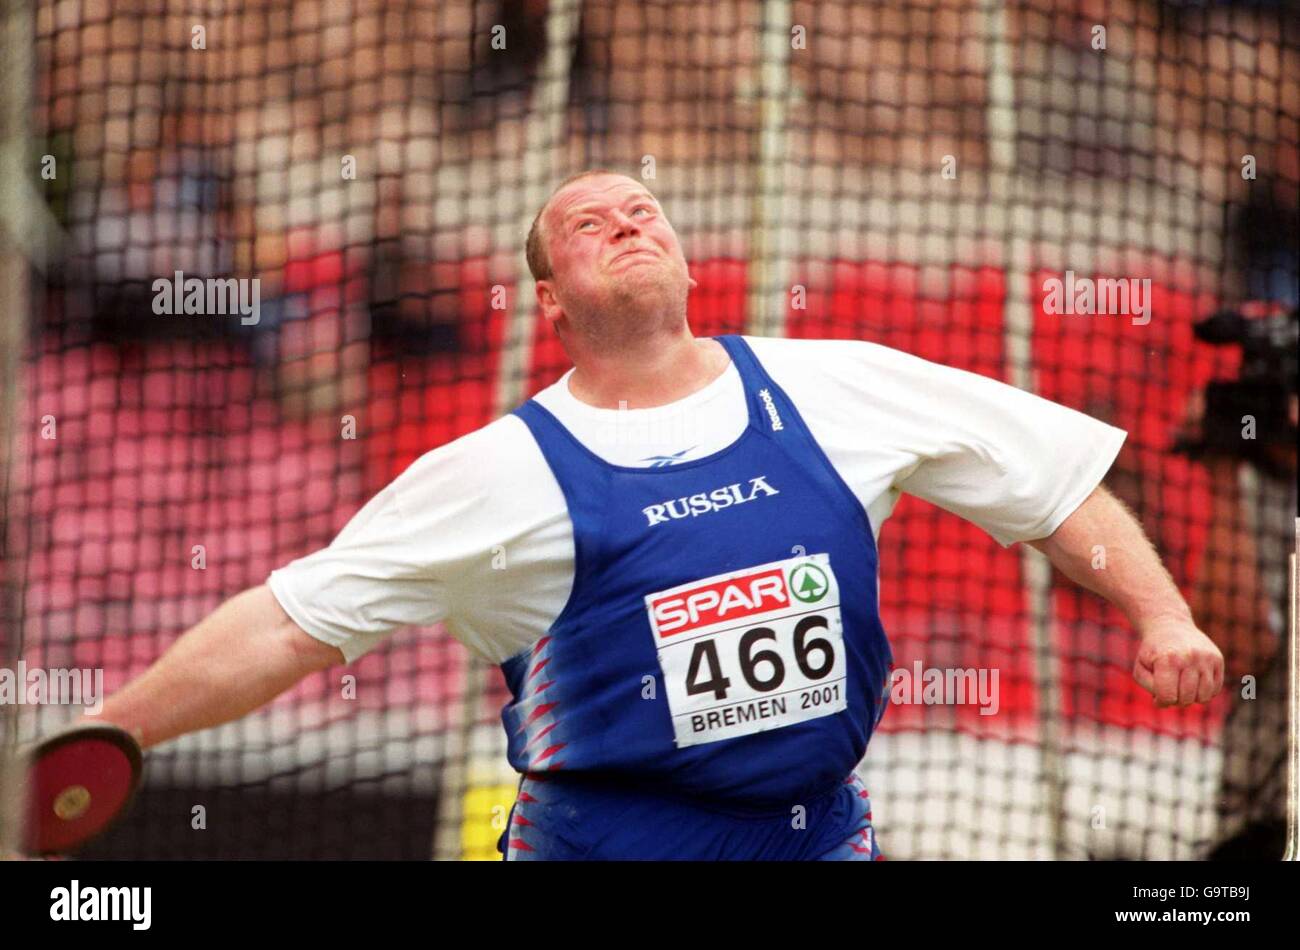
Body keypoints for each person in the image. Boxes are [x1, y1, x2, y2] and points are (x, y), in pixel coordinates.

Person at [88, 169, 1225, 860]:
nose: (629, 224)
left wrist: (1159, 615)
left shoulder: (834, 385)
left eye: (644, 212)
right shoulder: (496, 472)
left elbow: (1048, 482)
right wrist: (116, 732)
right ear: (548, 299)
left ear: (684, 258)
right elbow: (292, 618)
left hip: (816, 830)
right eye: (591, 224)